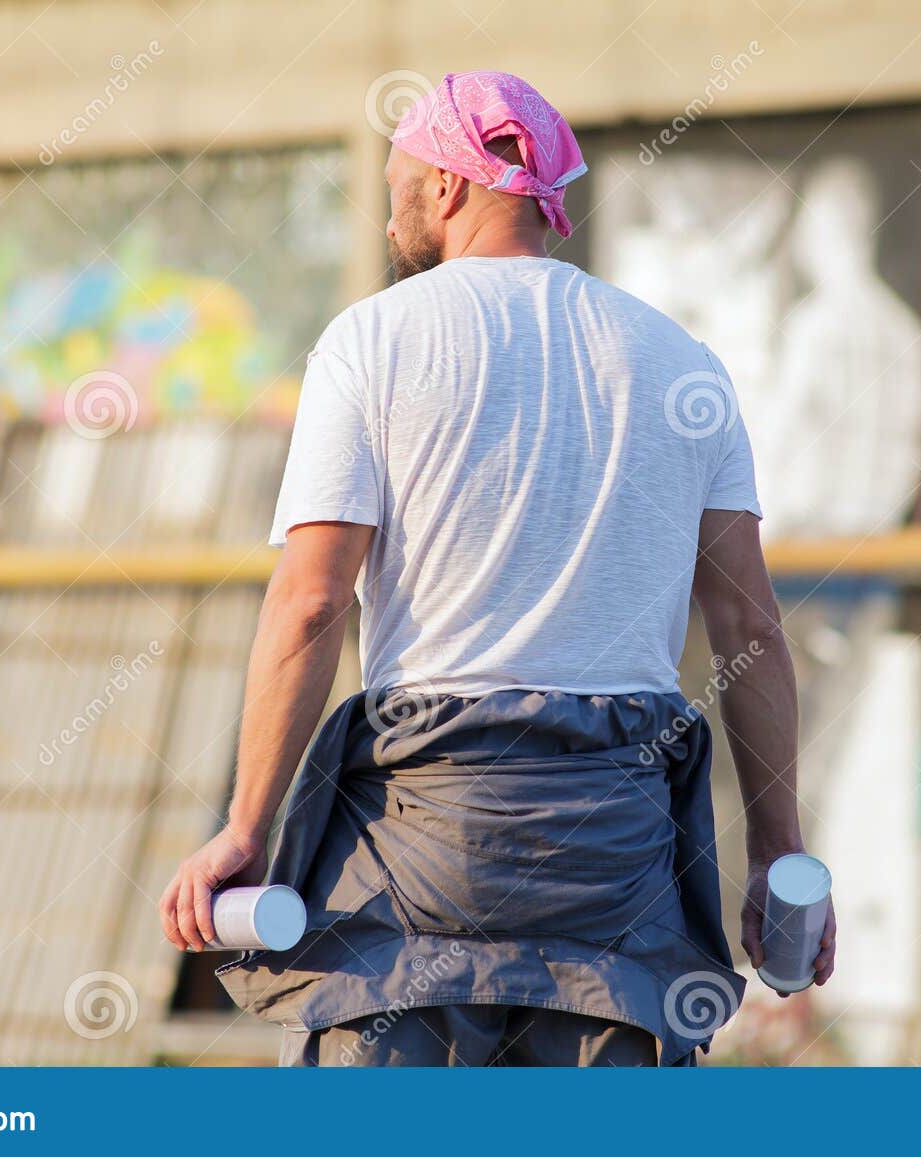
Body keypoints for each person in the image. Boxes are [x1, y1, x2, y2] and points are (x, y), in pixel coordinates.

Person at [159, 70, 835, 1067]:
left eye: (397, 177)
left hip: (420, 849)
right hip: (616, 853)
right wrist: (780, 848)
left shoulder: (371, 343)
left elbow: (309, 605)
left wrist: (245, 825)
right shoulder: (679, 361)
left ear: (445, 186)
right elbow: (749, 626)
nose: (389, 203)